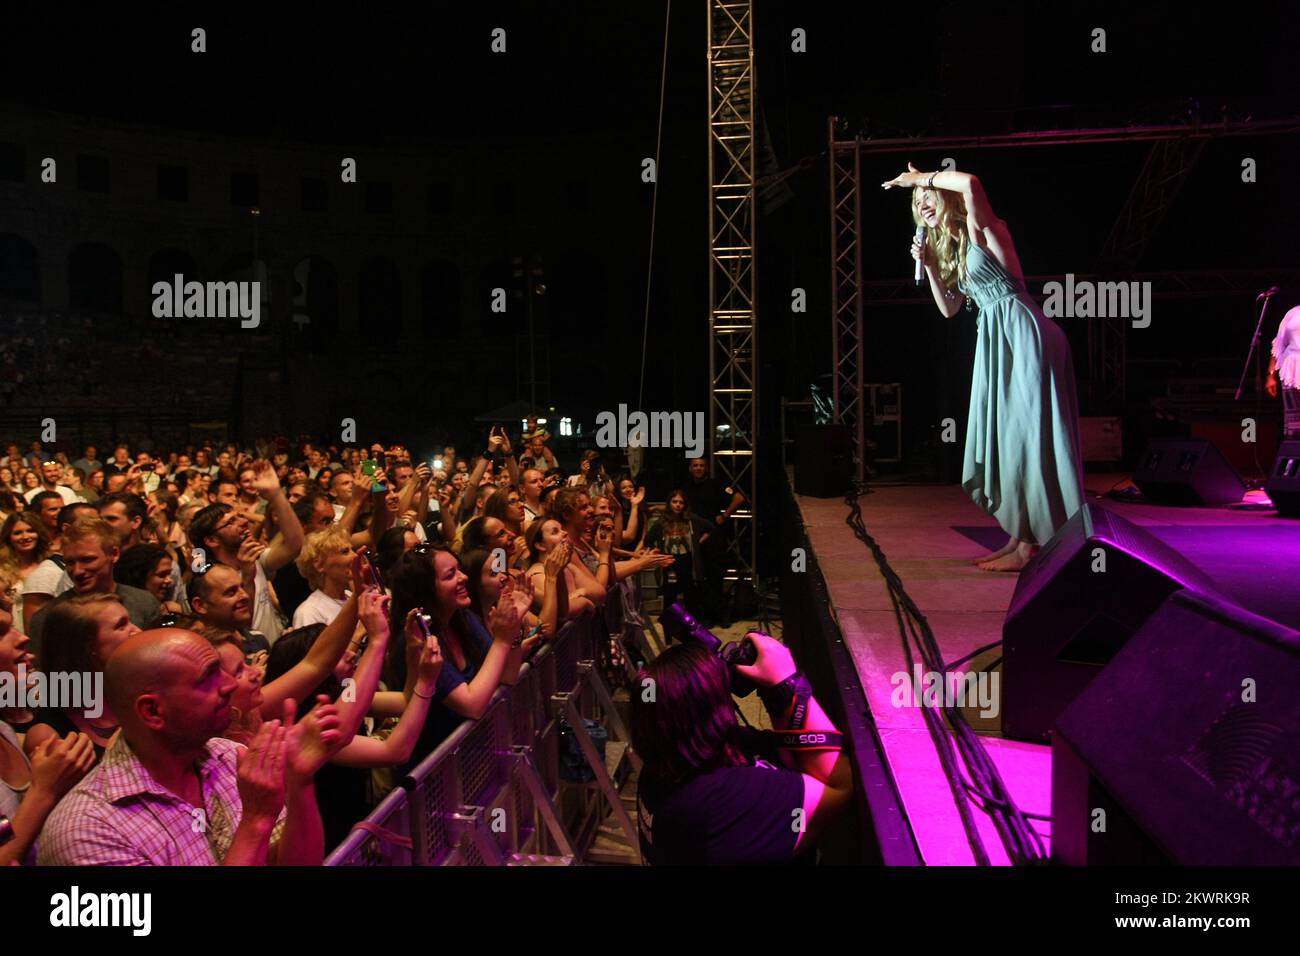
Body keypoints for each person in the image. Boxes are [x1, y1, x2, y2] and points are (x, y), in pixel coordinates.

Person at [884, 162, 1084, 571]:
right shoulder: (952, 247)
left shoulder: (985, 225)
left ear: (945, 196)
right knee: (1011, 440)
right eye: (916, 201)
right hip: (997, 339)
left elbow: (971, 182)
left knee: (1029, 438)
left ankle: (1032, 544)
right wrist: (933, 267)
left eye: (928, 196)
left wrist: (917, 177)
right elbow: (949, 309)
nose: (922, 203)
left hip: (1023, 332)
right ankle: (1019, 538)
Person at [37, 628, 341, 865]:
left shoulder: (226, 757)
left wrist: (300, 783)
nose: (230, 685)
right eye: (207, 679)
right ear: (152, 712)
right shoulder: (88, 830)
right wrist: (256, 819)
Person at [630, 633, 852, 865]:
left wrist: (774, 695)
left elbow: (791, 750)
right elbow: (839, 785)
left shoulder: (667, 759)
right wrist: (787, 684)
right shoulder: (725, 798)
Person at [0, 602, 96, 866]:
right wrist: (44, 791)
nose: (23, 638)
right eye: (1, 632)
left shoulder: (4, 730)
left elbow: (4, 834)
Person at [22, 593, 141, 763]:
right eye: (121, 626)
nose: (136, 630)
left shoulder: (138, 695)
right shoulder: (48, 736)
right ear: (88, 647)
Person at [26, 515, 161, 659]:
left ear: (114, 554)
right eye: (70, 562)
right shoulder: (49, 617)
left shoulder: (144, 603)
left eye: (87, 560)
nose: (77, 571)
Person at [292, 525, 354, 628]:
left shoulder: (349, 595)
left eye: (352, 549)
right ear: (319, 565)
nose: (355, 555)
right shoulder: (309, 612)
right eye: (345, 552)